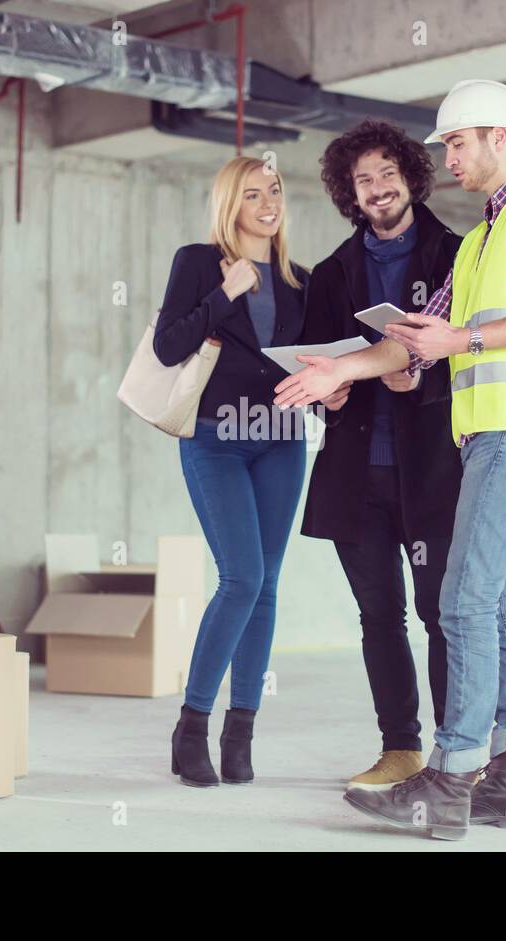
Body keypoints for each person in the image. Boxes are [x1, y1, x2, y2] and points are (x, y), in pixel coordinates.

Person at [273, 80, 506, 840]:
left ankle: (449, 780)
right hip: (494, 433)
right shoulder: (485, 234)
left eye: (455, 142)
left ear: (497, 136)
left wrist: (460, 342)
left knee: (461, 604)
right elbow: (417, 338)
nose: (447, 157)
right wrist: (338, 371)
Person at [299, 120, 463, 789]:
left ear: (409, 176)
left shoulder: (455, 254)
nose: (377, 188)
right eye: (362, 179)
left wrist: (419, 375)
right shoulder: (333, 272)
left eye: (386, 173)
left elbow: (473, 351)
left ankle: (459, 755)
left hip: (432, 471)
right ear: (350, 192)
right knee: (379, 616)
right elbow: (317, 363)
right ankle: (401, 749)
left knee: (442, 613)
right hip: (357, 475)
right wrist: (329, 398)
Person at [154, 155, 311, 788]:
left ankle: (240, 732)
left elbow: (309, 358)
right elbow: (169, 346)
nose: (268, 202)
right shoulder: (197, 262)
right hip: (216, 439)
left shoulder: (301, 281)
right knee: (241, 577)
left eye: (274, 189)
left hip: (280, 440)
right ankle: (191, 726)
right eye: (253, 194)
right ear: (230, 205)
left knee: (268, 584)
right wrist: (227, 293)